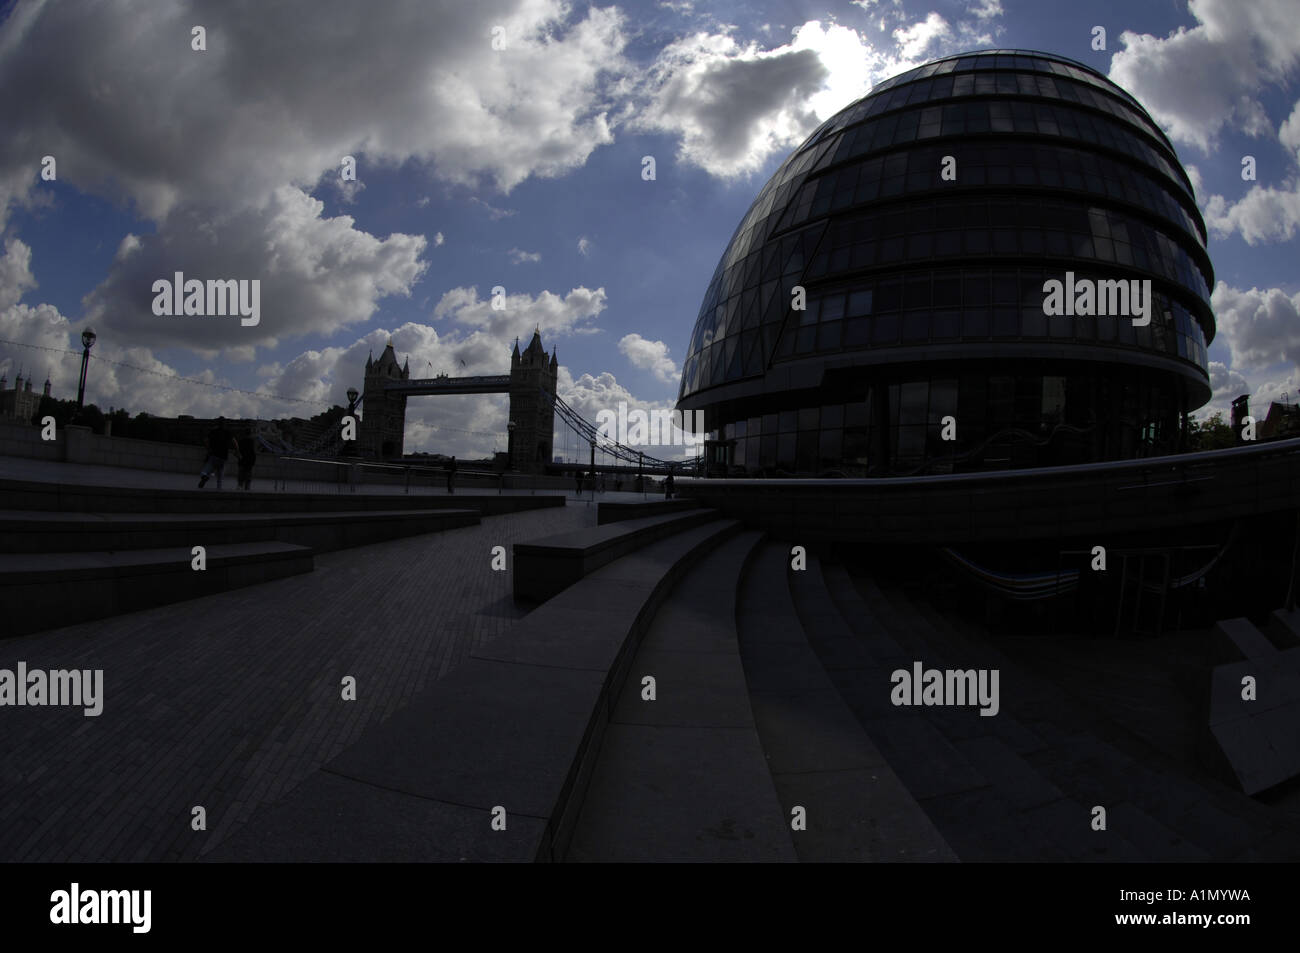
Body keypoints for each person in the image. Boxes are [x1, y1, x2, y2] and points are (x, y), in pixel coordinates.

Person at [198, 417, 238, 489]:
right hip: (223, 456)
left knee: (207, 469)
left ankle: (204, 476)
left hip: (214, 455)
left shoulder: (213, 431)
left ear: (218, 423)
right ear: (225, 424)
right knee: (220, 475)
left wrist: (209, 449)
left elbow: (205, 440)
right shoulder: (228, 432)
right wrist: (237, 451)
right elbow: (234, 442)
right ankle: (219, 489)